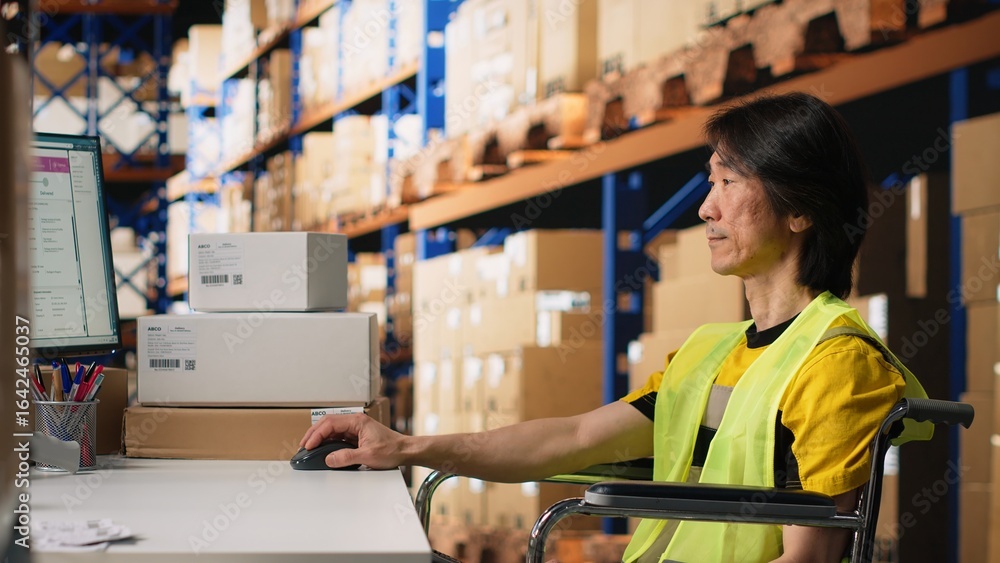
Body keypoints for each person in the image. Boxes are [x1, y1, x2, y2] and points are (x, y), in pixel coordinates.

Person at [301, 92, 931, 563]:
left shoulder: (836, 364)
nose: (706, 207)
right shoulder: (711, 353)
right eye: (710, 182)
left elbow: (810, 557)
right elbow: (572, 438)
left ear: (800, 210)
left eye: (730, 182)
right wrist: (407, 447)